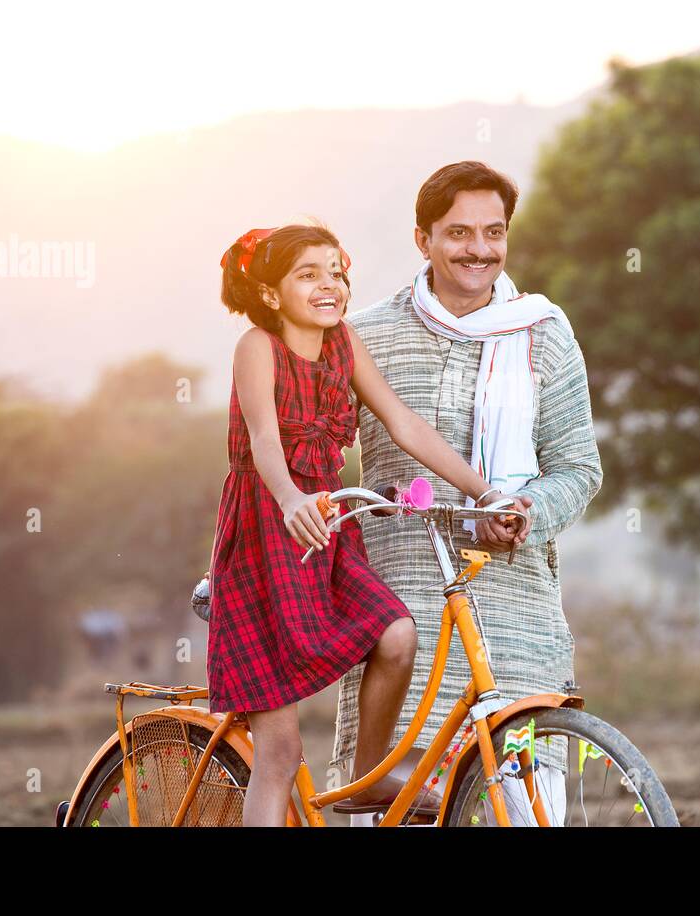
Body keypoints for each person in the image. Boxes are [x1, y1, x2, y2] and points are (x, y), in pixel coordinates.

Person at [206, 222, 506, 826]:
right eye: (308, 274)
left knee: (396, 634)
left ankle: (368, 776)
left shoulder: (343, 344)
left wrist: (485, 493)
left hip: (328, 530)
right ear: (270, 294)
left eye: (336, 272)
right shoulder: (256, 347)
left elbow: (404, 423)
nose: (329, 285)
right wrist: (291, 497)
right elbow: (265, 440)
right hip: (267, 538)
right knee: (281, 753)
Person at [331, 161, 603, 825]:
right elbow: (313, 448)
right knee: (398, 805)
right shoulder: (362, 335)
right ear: (422, 239)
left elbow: (578, 466)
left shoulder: (542, 332)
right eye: (458, 233)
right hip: (402, 622)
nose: (478, 249)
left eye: (493, 232)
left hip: (515, 623)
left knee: (526, 808)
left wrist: (522, 512)